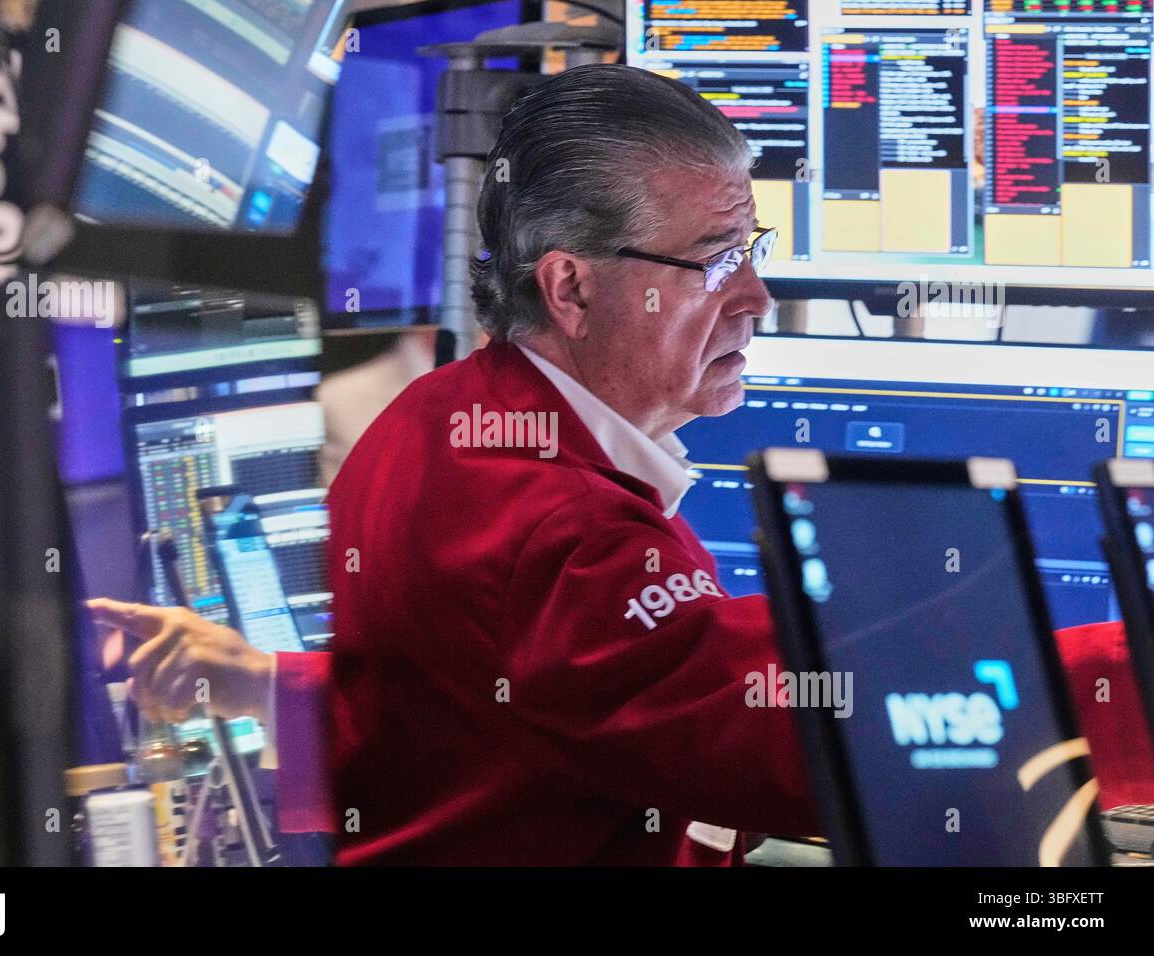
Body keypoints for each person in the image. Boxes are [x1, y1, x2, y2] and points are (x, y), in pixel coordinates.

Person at [87, 64, 1154, 865]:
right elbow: (834, 734)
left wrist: (262, 685)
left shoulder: (440, 417)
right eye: (715, 259)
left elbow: (443, 711)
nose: (756, 300)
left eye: (754, 249)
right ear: (572, 287)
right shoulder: (555, 528)